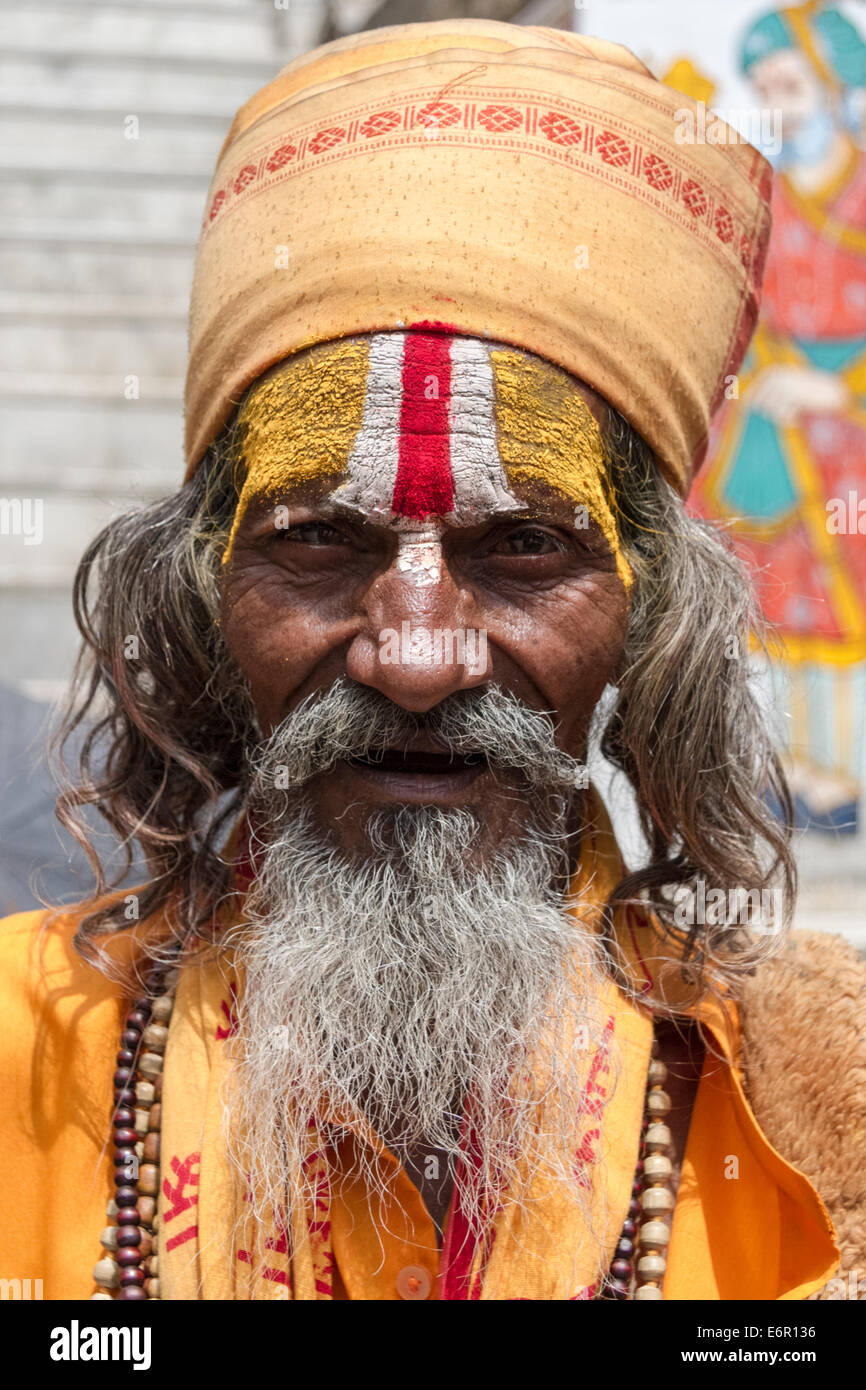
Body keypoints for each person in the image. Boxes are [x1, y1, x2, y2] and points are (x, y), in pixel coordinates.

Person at [1, 19, 862, 1302]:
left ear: (654, 616)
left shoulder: (805, 1101)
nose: (414, 654)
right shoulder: (30, 1052)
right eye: (315, 540)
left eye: (521, 544)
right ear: (195, 594)